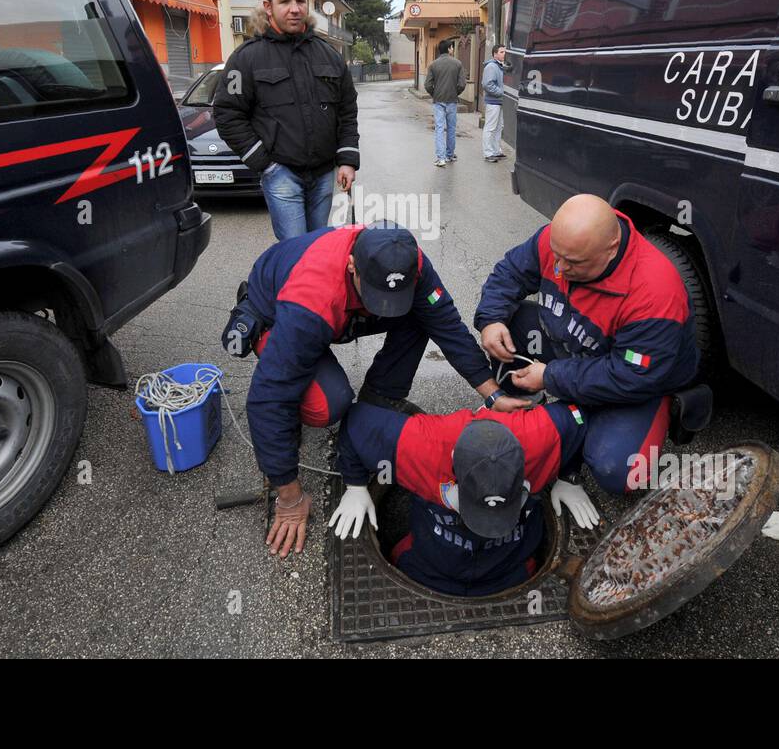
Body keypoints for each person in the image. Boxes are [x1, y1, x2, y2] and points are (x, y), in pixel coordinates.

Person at [221, 222, 532, 559]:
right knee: (330, 403)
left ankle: (377, 402)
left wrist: (493, 394)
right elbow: (268, 397)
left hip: (344, 307)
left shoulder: (412, 263)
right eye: (379, 298)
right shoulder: (311, 298)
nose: (385, 307)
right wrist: (290, 496)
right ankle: (269, 339)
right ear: (353, 266)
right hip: (283, 306)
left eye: (393, 297)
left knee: (420, 314)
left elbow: (446, 325)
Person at [474, 194, 700, 493]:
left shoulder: (655, 295)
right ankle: (526, 411)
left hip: (634, 378)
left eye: (573, 263)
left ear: (611, 249)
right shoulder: (562, 244)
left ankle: (660, 409)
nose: (559, 267)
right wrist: (491, 319)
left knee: (620, 471)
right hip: (574, 341)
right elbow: (511, 272)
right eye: (556, 255)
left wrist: (551, 377)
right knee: (508, 324)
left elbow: (629, 377)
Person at [329, 401, 600, 596]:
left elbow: (579, 417)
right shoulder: (422, 445)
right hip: (427, 566)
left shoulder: (538, 436)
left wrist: (569, 477)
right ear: (451, 474)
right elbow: (355, 420)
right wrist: (355, 486)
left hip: (511, 566)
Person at [212, 0, 359, 239]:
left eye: (300, 0)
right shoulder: (246, 58)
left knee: (319, 248)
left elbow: (347, 110)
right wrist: (263, 163)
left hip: (324, 174)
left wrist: (348, 160)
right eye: (285, 1)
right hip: (281, 174)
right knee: (293, 251)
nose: (295, 8)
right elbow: (226, 113)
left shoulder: (329, 55)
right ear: (268, 7)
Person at [424, 40, 466, 168]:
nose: (453, 49)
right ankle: (449, 155)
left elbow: (427, 85)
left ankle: (440, 158)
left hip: (438, 101)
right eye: (452, 47)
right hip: (452, 101)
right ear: (449, 49)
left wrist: (435, 94)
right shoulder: (458, 64)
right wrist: (455, 93)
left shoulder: (433, 65)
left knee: (440, 129)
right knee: (451, 129)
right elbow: (462, 84)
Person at [481, 45, 508, 162]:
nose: (504, 54)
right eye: (502, 52)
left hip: (500, 101)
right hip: (493, 101)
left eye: (505, 52)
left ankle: (496, 151)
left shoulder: (501, 66)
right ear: (495, 54)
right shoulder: (491, 66)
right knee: (490, 127)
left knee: (499, 127)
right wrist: (502, 93)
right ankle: (488, 153)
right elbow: (487, 84)